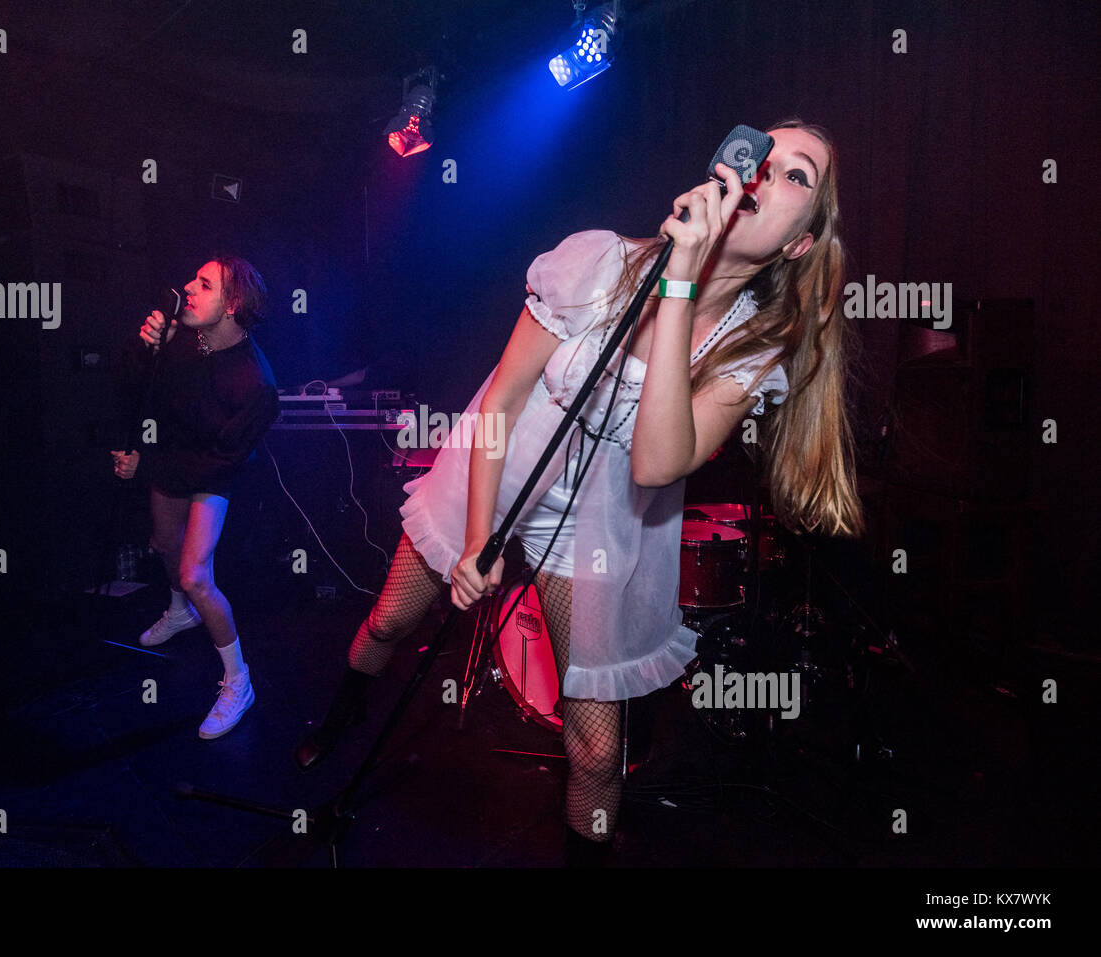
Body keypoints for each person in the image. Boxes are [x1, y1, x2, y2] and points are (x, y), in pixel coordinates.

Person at [293, 120, 865, 865]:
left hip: (600, 517)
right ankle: (343, 714)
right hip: (499, 467)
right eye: (766, 153)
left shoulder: (751, 348)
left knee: (596, 749)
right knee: (387, 622)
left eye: (797, 175)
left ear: (798, 244)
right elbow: (501, 401)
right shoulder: (599, 262)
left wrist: (683, 284)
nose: (767, 172)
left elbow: (657, 464)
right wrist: (478, 539)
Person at [111, 254, 280, 740]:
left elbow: (218, 462)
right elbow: (127, 385)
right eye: (194, 279)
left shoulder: (256, 385)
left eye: (204, 285)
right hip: (173, 457)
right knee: (165, 545)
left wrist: (147, 467)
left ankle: (238, 682)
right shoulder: (185, 340)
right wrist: (145, 347)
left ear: (233, 304)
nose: (188, 287)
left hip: (213, 469)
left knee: (194, 575)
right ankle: (179, 612)